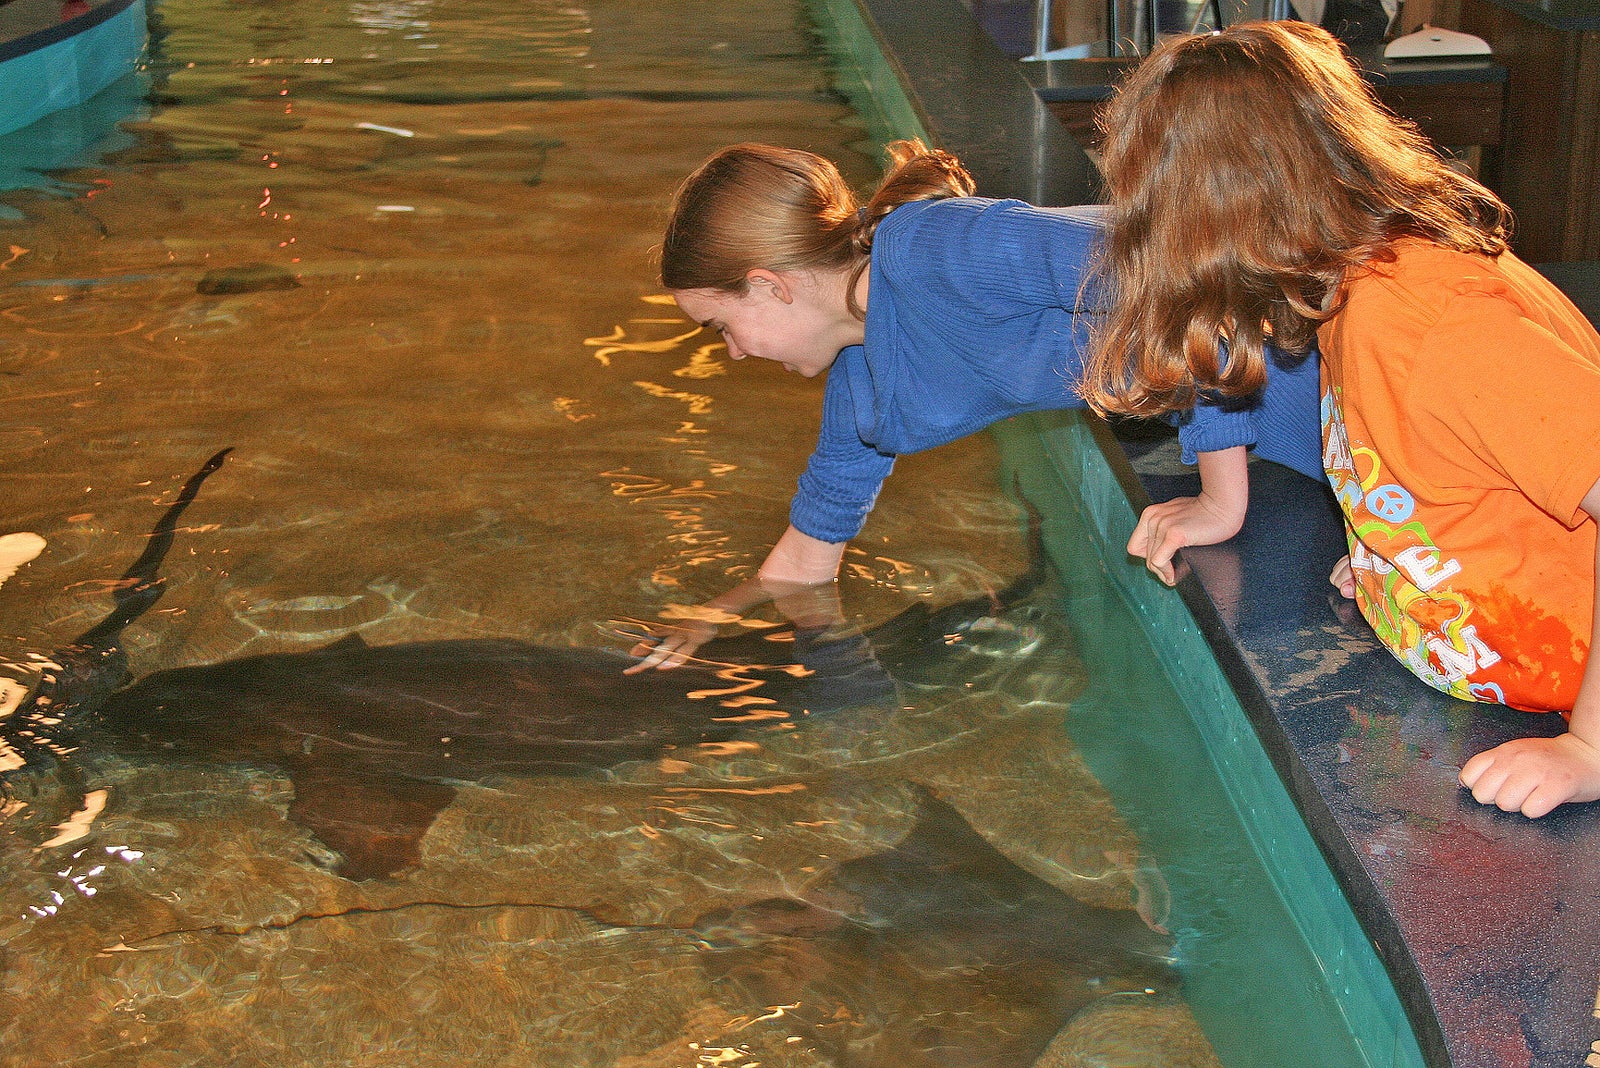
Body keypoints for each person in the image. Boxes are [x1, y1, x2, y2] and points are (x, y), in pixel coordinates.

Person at [1079, 20, 1600, 818]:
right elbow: (1439, 467)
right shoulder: (1350, 302)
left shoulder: (1434, 327)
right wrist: (1399, 563)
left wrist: (1589, 749)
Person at [627, 139, 1322, 674]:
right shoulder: (862, 379)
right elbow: (809, 556)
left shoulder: (941, 247)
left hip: (1318, 365)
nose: (734, 353)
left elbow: (1188, 287)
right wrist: (709, 619)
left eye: (719, 327)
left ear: (770, 285)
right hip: (1278, 422)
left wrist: (1219, 501)